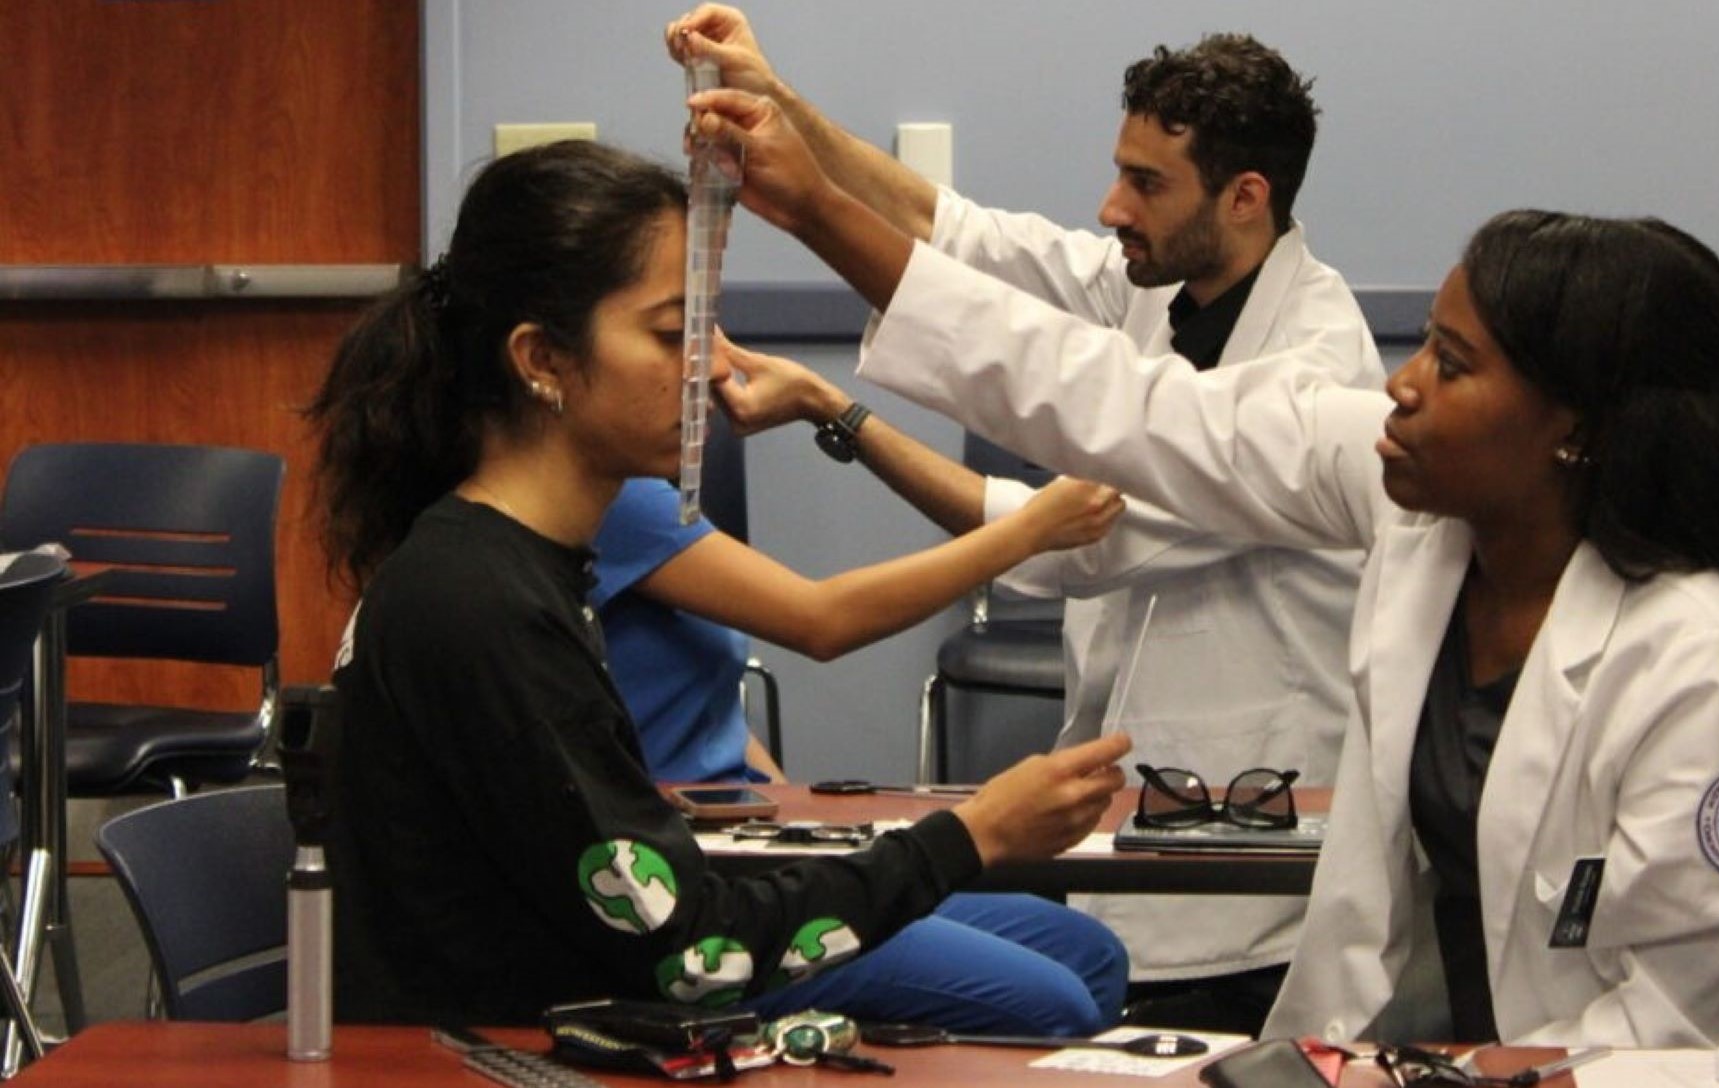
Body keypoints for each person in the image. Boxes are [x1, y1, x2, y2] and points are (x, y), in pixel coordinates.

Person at [682, 88, 1719, 1046]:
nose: (1401, 386)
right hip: (1388, 1047)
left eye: (1452, 363)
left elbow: (1688, 1027)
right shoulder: (1417, 510)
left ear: (1575, 425)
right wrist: (819, 209)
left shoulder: (1705, 666)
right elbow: (1118, 400)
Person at [305, 138, 1138, 1032]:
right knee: (1048, 1003)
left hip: (611, 962)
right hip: (536, 1035)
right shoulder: (480, 604)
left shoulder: (524, 565)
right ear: (541, 360)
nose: (708, 365)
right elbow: (694, 956)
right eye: (672, 334)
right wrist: (971, 834)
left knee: (1085, 950)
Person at [669, 5, 1384, 1029]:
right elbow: (945, 227)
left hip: (1245, 842)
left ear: (1244, 197)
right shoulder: (1148, 284)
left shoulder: (1308, 376)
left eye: (1145, 182)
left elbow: (1064, 530)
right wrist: (779, 101)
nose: (1109, 206)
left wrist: (839, 407)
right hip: (1125, 793)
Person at [595, 377, 1131, 786]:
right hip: (697, 868)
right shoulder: (618, 502)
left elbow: (714, 723)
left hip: (735, 841)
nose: (712, 372)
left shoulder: (631, 498)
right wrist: (1031, 529)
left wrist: (793, 822)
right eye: (670, 335)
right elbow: (821, 619)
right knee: (1072, 938)